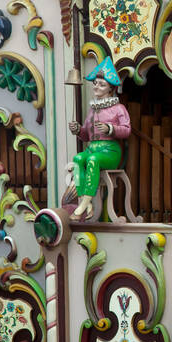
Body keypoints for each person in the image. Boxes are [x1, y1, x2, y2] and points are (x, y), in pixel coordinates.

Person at [68, 57, 130, 221]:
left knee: (93, 160)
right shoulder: (92, 110)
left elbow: (127, 130)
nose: (96, 86)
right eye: (95, 83)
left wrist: (111, 129)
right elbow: (87, 136)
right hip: (92, 148)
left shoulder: (118, 108)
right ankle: (86, 203)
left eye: (101, 84)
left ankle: (82, 206)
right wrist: (78, 130)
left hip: (110, 151)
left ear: (110, 89)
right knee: (78, 158)